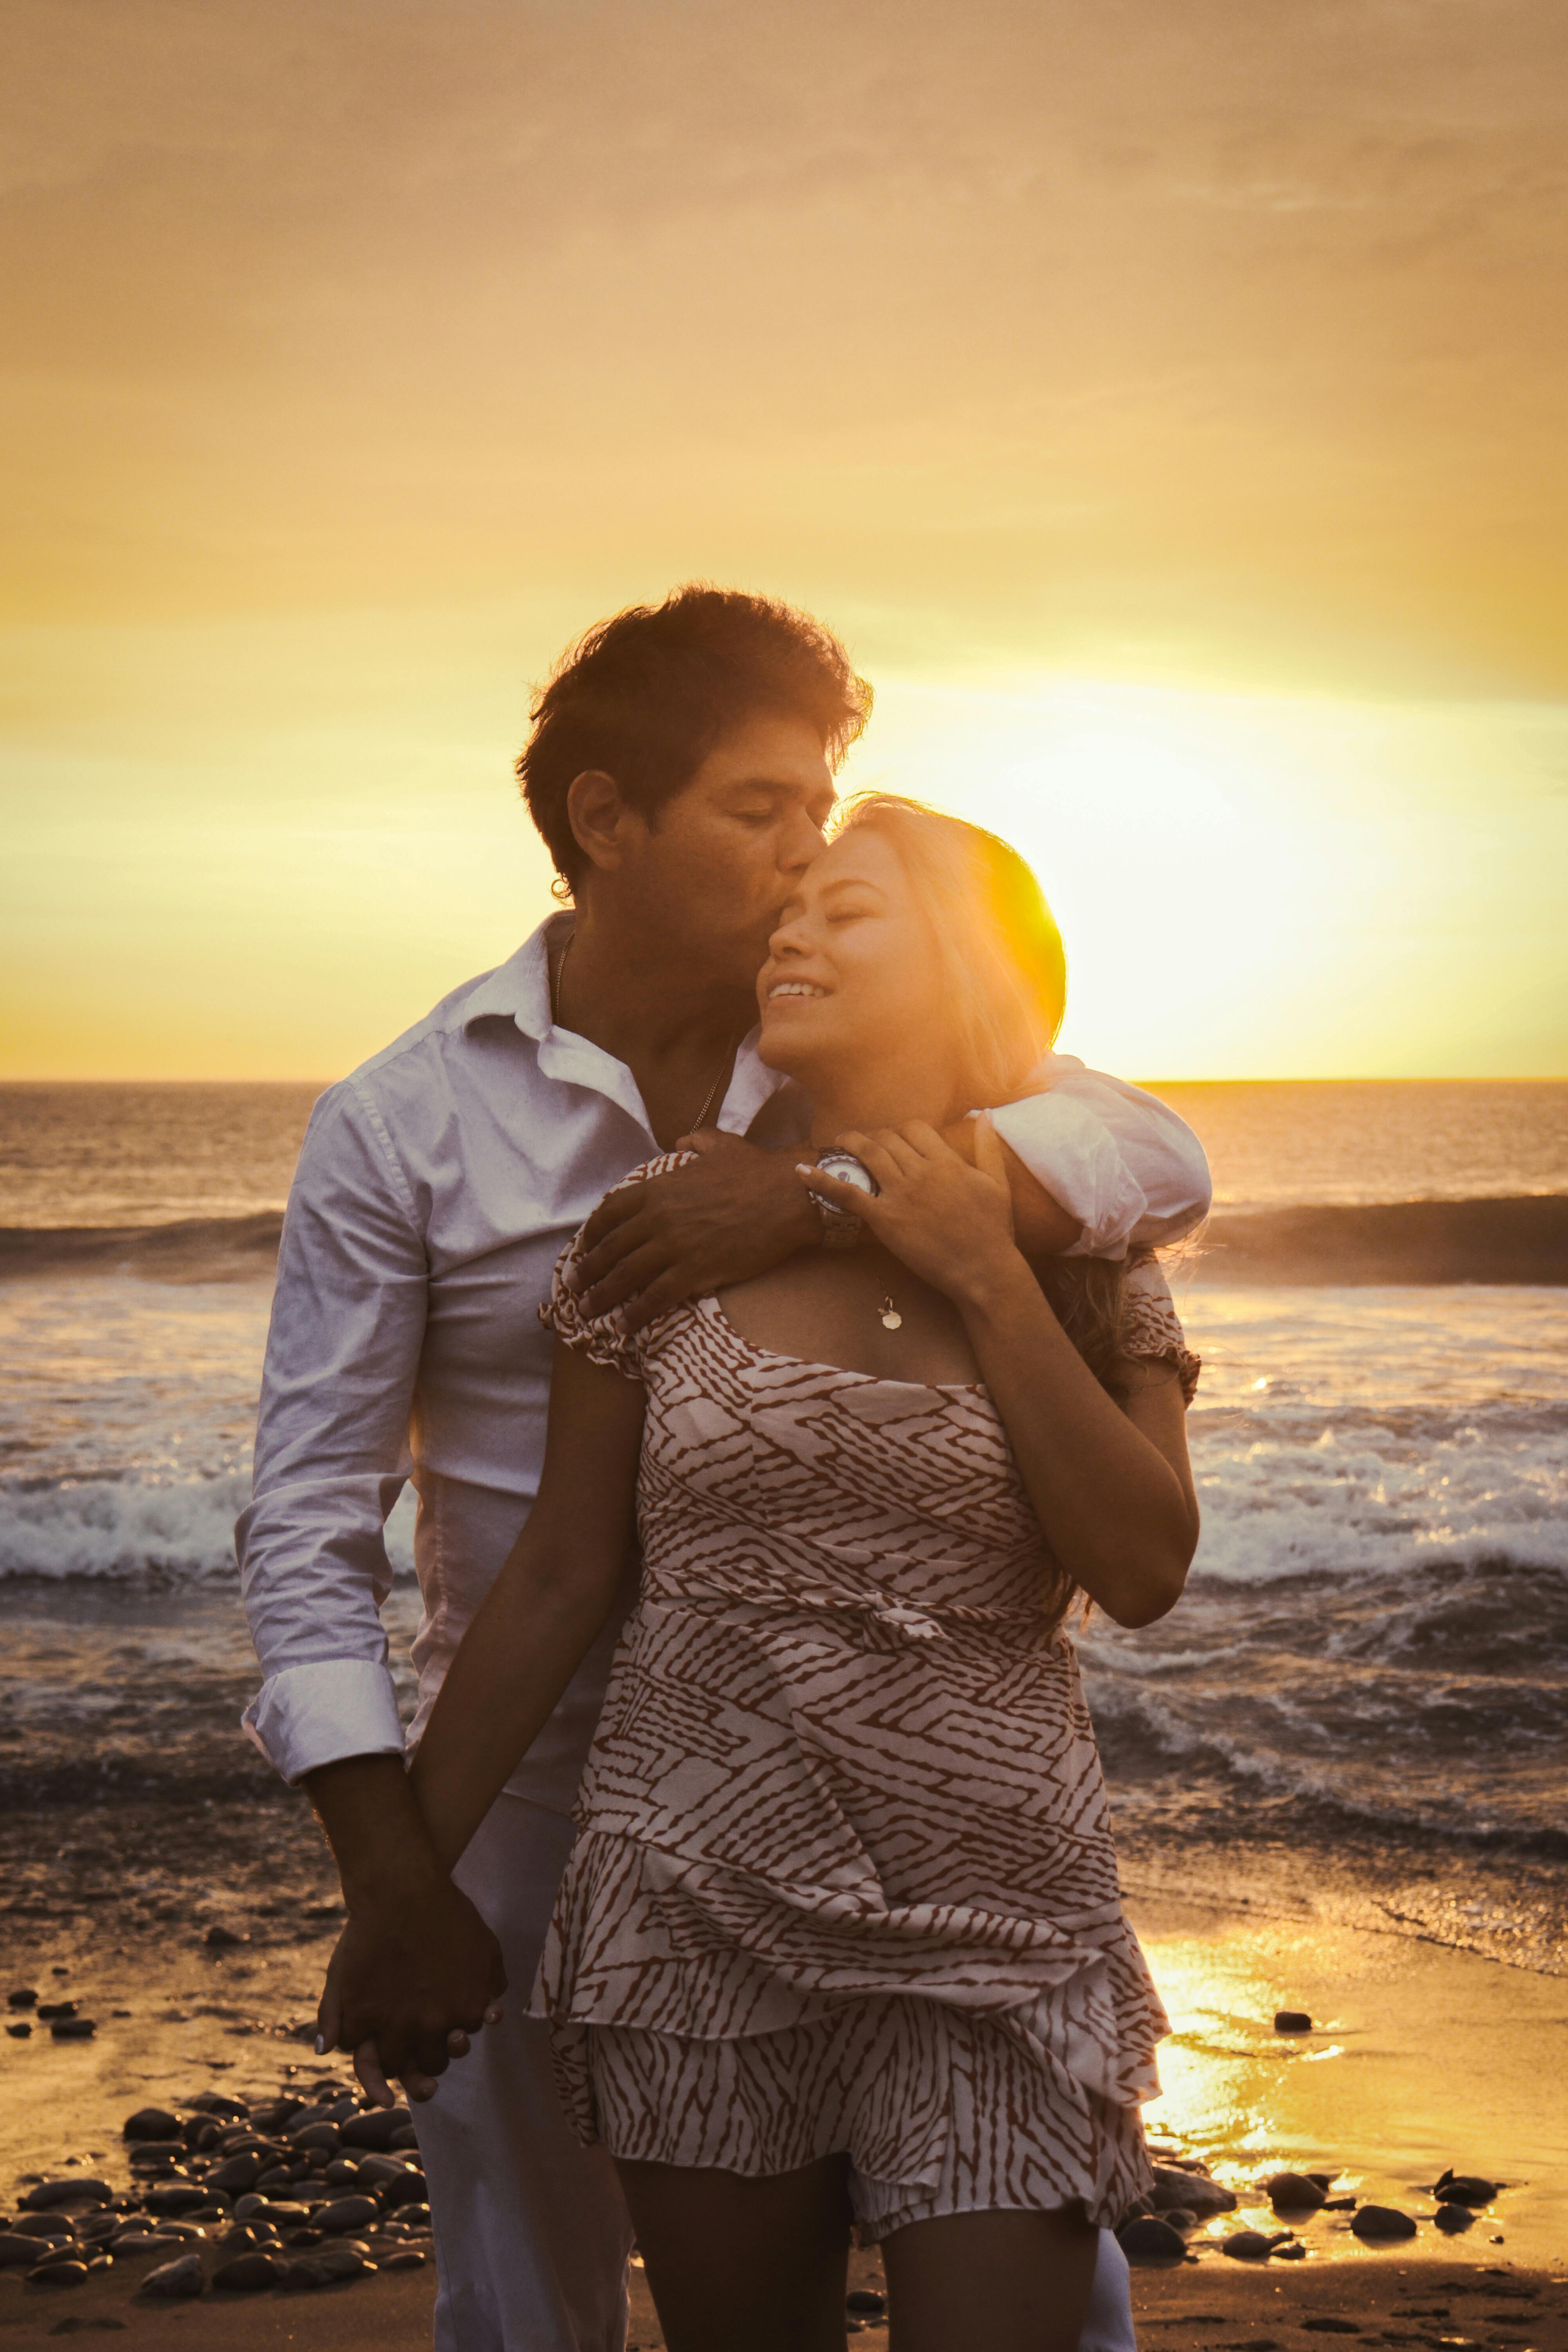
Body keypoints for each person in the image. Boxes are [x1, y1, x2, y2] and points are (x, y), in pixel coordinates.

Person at [238, 586, 1211, 2352]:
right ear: (607, 820)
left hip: (947, 1836)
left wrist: (817, 1191)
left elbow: (1153, 1148)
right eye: (760, 813)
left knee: (1064, 2311)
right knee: (533, 2299)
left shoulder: (835, 1045)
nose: (800, 865)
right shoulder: (405, 1122)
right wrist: (394, 1882)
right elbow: (319, 1536)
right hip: (565, 1802)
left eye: (825, 823)